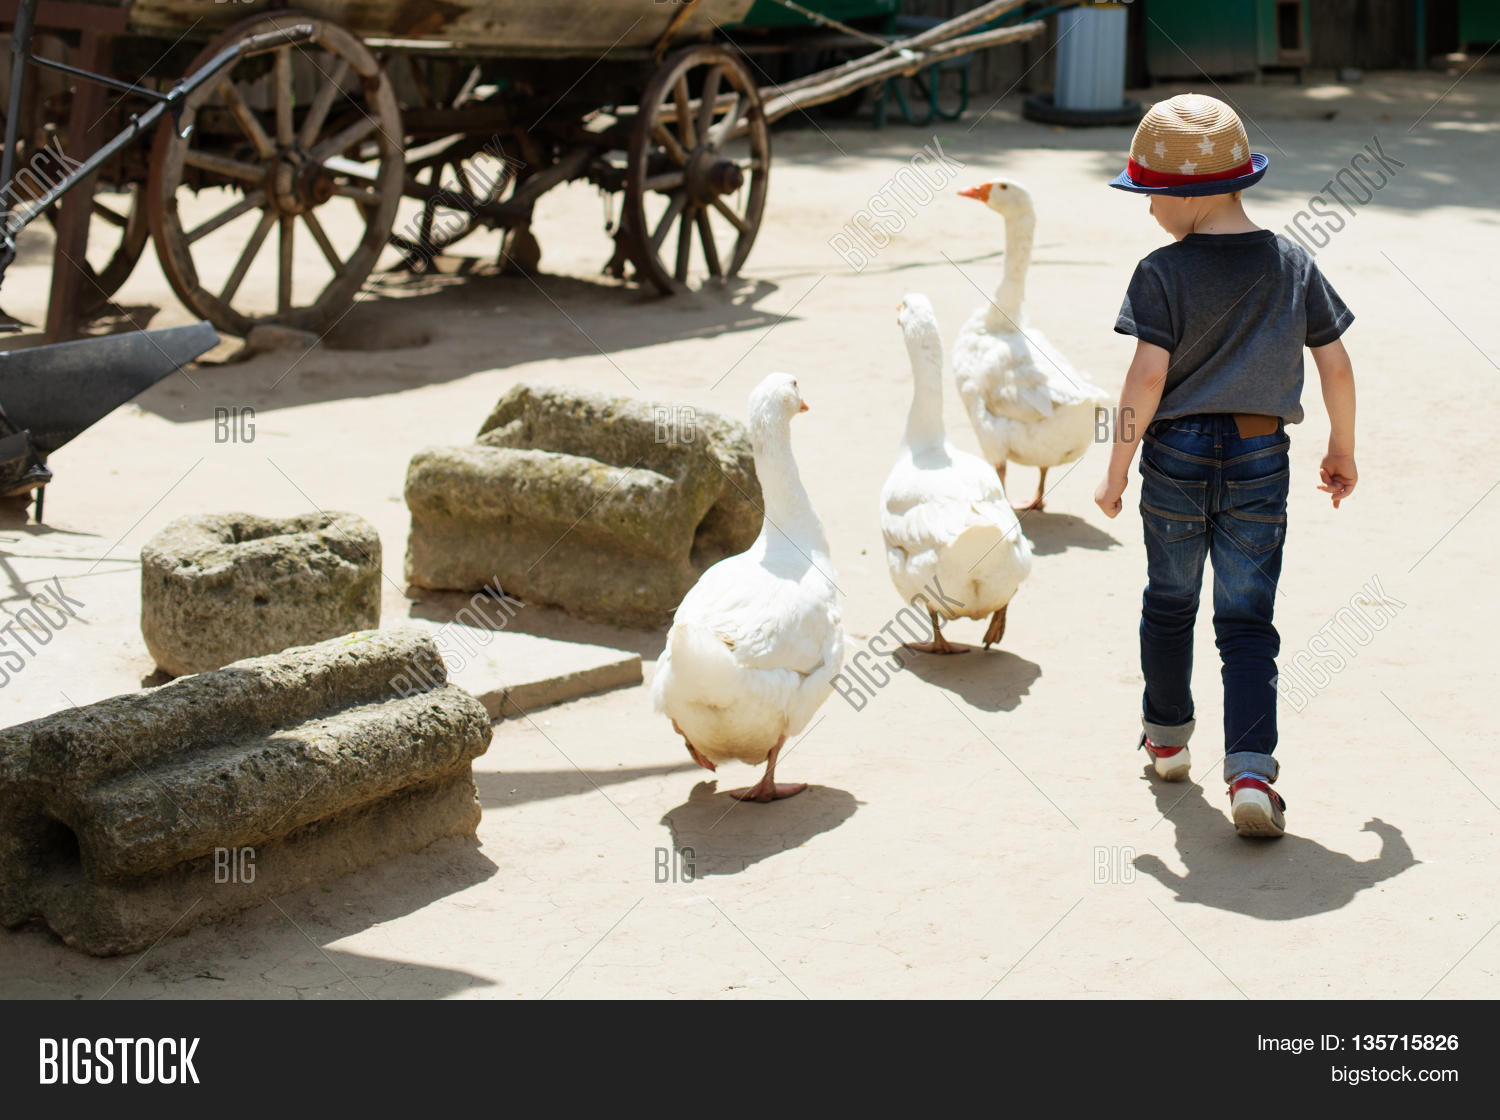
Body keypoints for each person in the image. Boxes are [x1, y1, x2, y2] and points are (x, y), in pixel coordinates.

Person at [1093, 93, 1357, 838]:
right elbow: (1335, 365)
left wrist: (1115, 470)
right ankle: (1249, 772)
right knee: (1246, 623)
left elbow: (1143, 381)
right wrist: (1342, 447)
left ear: (1188, 195)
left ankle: (1168, 739)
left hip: (1173, 456)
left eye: (1150, 196)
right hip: (1259, 454)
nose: (1147, 212)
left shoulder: (1159, 273)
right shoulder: (1294, 264)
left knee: (1168, 602)